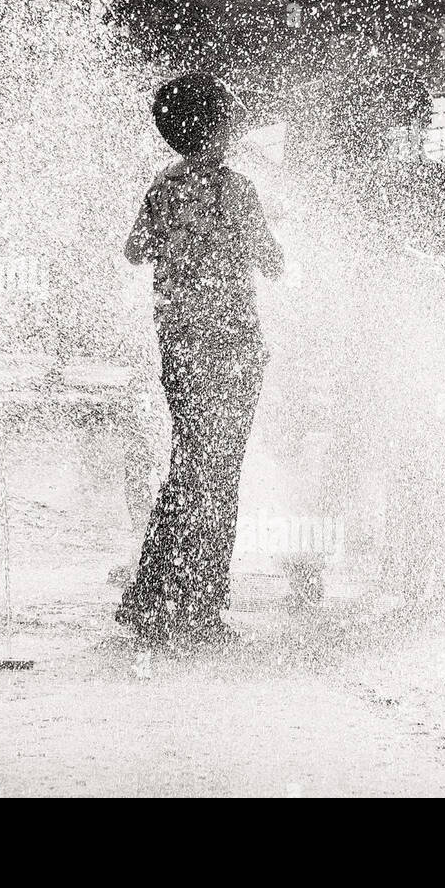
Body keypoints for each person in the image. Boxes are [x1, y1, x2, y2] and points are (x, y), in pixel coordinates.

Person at [116, 72, 284, 648]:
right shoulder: (239, 189)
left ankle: (149, 590)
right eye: (233, 113)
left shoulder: (164, 186)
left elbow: (135, 251)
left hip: (181, 341)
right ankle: (203, 601)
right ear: (216, 126)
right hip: (233, 344)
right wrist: (262, 236)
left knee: (189, 461)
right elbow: (274, 263)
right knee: (222, 470)